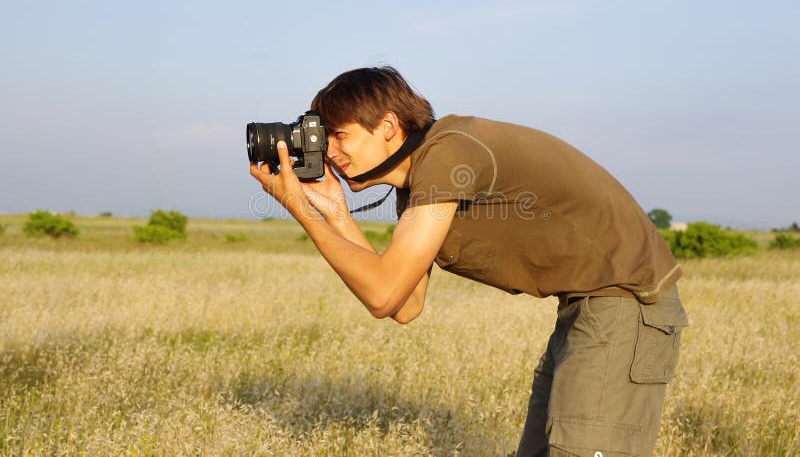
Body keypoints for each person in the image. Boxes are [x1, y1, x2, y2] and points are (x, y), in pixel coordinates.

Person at [249, 66, 688, 456]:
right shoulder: (421, 177)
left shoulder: (448, 154)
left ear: (387, 125)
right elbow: (405, 305)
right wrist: (335, 212)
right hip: (585, 309)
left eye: (339, 136)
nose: (331, 154)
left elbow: (384, 295)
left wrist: (301, 210)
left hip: (626, 304)